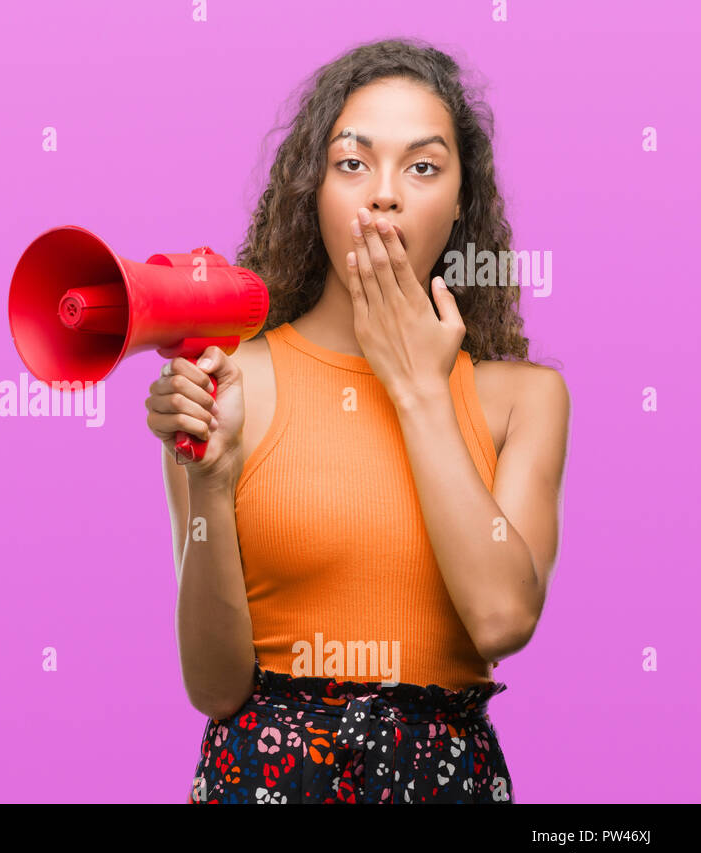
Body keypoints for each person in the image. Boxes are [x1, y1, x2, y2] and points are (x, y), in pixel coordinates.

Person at [147, 38, 571, 804]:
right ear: (314, 190)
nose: (384, 195)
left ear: (461, 204)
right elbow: (214, 688)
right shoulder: (231, 382)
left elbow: (503, 619)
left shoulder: (526, 399)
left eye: (422, 166)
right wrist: (208, 481)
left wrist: (418, 389)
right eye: (353, 163)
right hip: (264, 779)